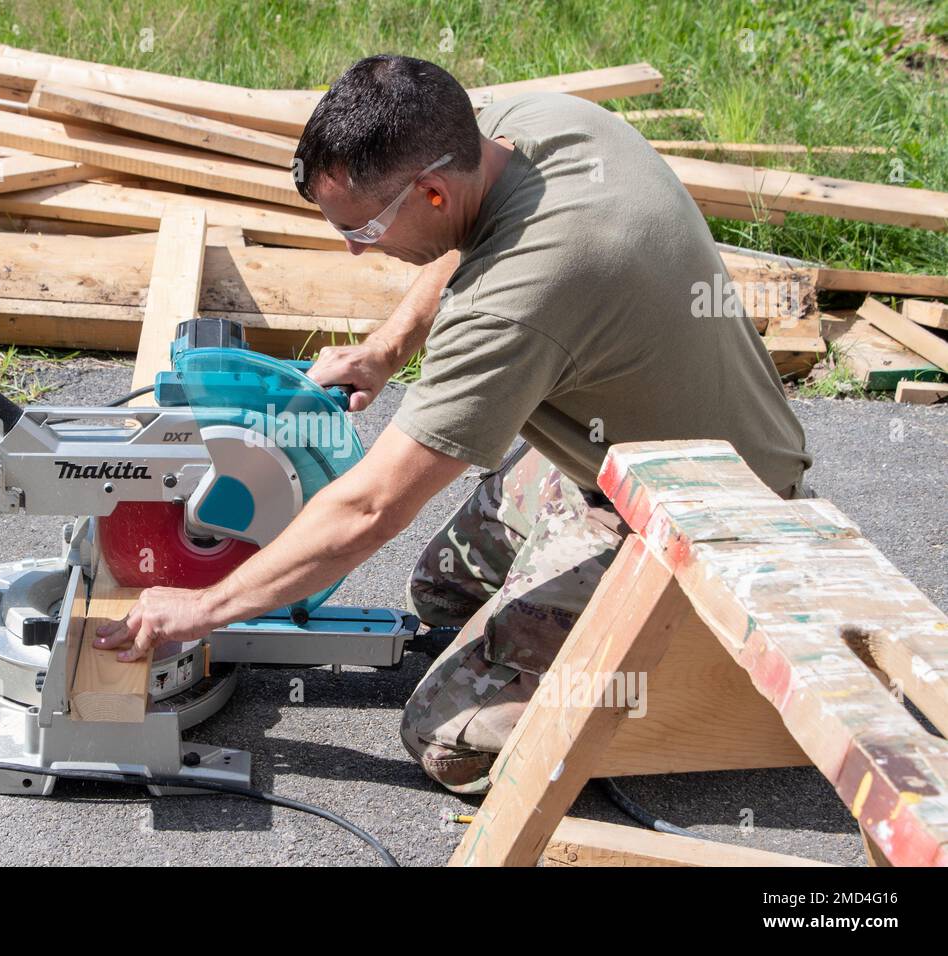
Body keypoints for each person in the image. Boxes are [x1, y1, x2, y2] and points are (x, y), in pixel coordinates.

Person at [94, 54, 811, 794]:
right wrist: (385, 350)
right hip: (651, 440)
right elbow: (463, 236)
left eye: (363, 227)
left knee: (446, 740)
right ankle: (569, 638)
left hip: (706, 513)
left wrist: (206, 606)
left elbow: (373, 506)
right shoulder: (524, 127)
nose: (354, 247)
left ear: (431, 189)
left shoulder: (515, 304)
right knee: (445, 592)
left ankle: (701, 674)